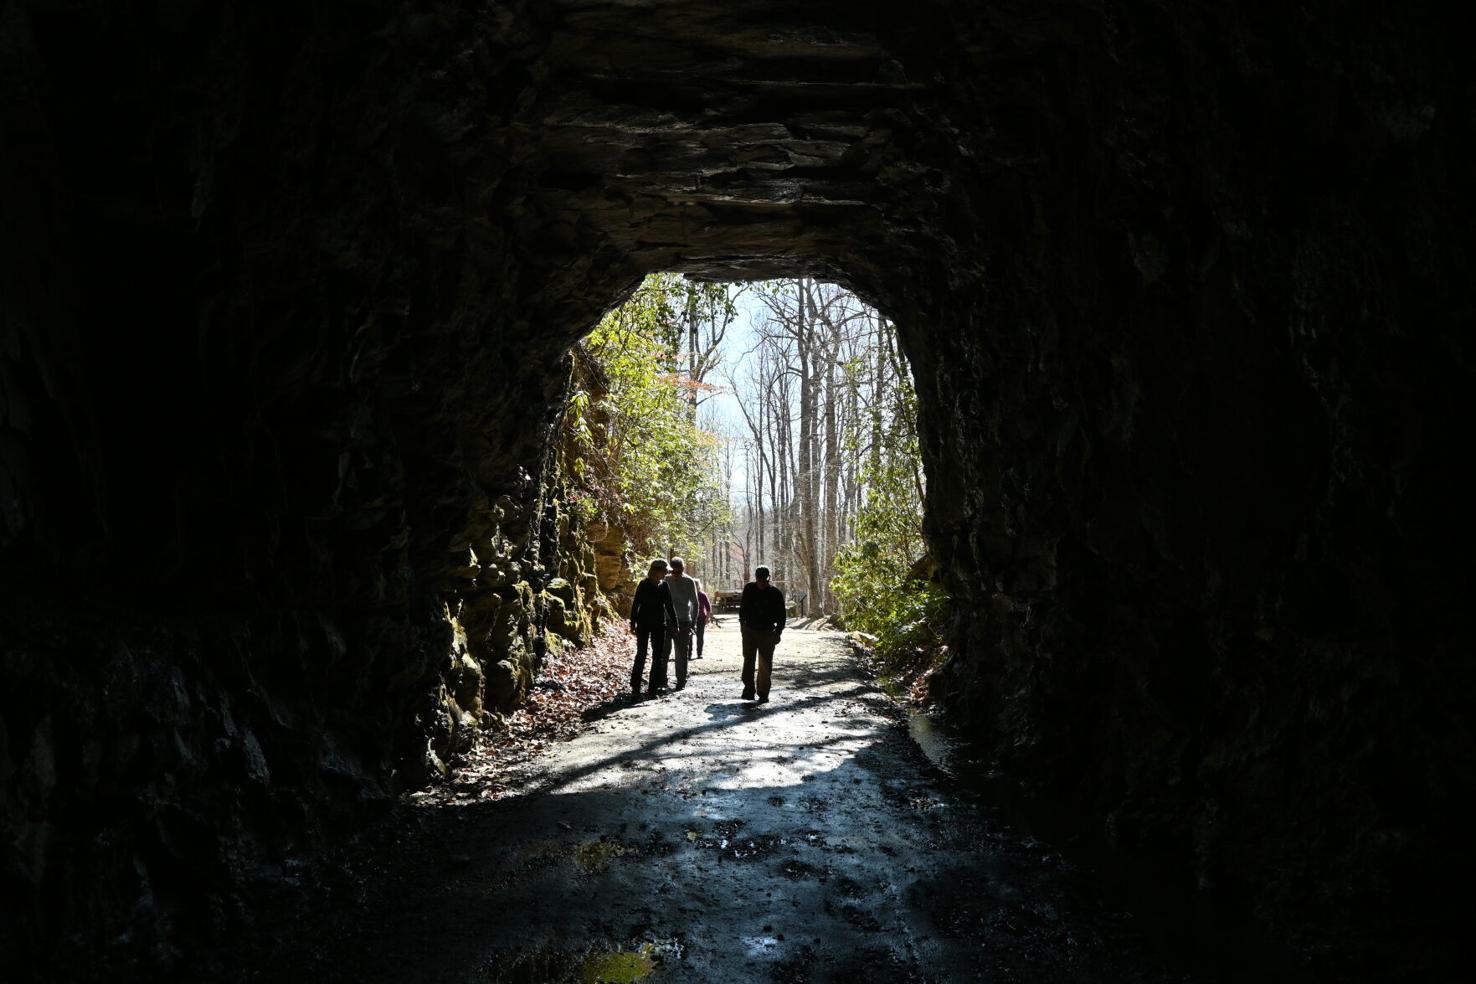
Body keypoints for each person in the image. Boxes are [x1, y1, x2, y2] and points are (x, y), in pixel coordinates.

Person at [629, 559, 678, 695]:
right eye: (664, 571)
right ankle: (635, 686)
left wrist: (675, 623)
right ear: (656, 570)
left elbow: (669, 606)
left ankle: (653, 688)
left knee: (658, 656)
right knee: (641, 654)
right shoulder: (643, 585)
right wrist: (632, 623)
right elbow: (636, 604)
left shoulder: (664, 586)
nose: (665, 573)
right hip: (643, 623)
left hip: (659, 625)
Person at [738, 565, 786, 703]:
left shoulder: (775, 593)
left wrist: (778, 632)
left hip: (767, 632)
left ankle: (763, 692)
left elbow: (782, 615)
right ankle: (748, 689)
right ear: (756, 578)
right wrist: (742, 625)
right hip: (750, 631)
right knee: (748, 660)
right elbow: (743, 608)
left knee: (765, 663)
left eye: (764, 579)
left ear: (768, 578)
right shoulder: (749, 589)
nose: (762, 582)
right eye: (759, 579)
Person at [664, 556, 701, 689]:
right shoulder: (665, 579)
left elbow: (695, 603)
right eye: (672, 572)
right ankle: (662, 680)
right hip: (667, 621)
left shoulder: (689, 581)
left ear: (683, 569)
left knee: (681, 654)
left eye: (678, 572)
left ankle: (680, 681)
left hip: (684, 621)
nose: (675, 575)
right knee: (664, 651)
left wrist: (693, 623)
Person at [694, 585, 712, 659]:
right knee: (689, 636)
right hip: (690, 618)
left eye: (696, 585)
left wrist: (707, 618)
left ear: (699, 586)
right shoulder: (688, 593)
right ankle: (688, 653)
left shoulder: (702, 595)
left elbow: (708, 607)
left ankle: (699, 653)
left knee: (700, 636)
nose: (695, 587)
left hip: (701, 618)